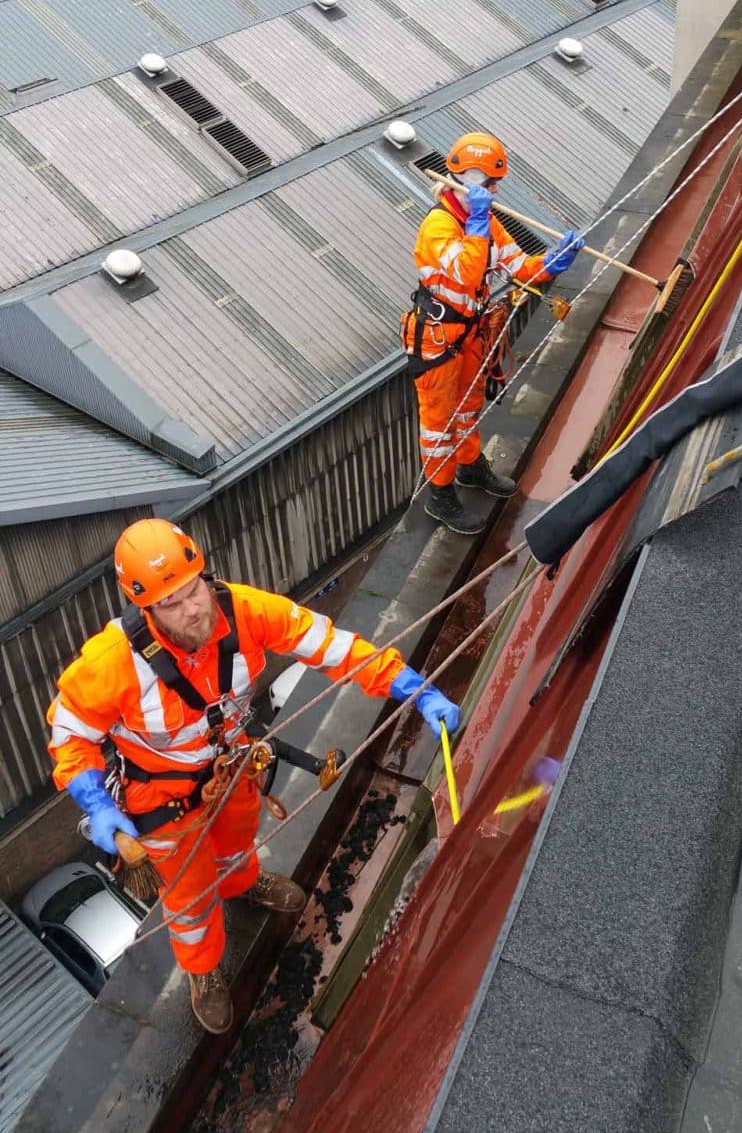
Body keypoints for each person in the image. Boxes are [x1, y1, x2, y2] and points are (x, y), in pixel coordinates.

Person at [48, 518, 459, 1034]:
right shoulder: (113, 664)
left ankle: (245, 884)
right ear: (145, 608)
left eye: (192, 590)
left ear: (204, 575)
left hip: (230, 766)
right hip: (161, 798)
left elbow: (332, 647)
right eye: (171, 603)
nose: (191, 609)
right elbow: (69, 735)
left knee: (237, 842)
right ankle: (203, 970)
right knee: (190, 899)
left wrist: (414, 688)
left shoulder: (246, 612)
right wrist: (97, 803)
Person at [402, 132, 583, 534]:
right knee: (438, 423)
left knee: (467, 407)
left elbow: (520, 267)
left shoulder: (485, 224)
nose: (496, 191)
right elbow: (467, 274)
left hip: (468, 333)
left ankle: (469, 466)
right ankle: (440, 494)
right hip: (437, 339)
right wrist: (479, 224)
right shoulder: (439, 227)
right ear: (468, 180)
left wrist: (554, 261)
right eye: (490, 183)